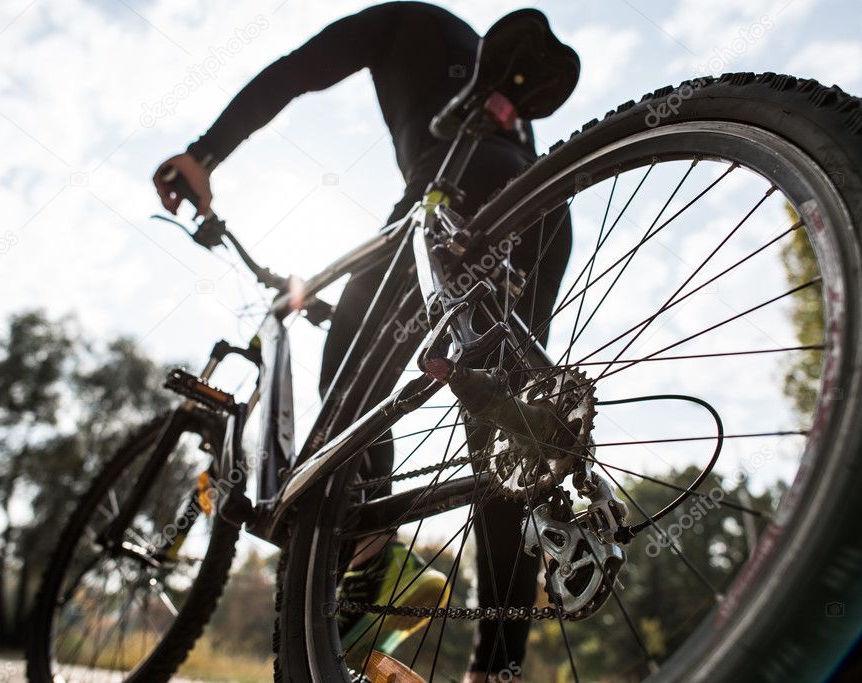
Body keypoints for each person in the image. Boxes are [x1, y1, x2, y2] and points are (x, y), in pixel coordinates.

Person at [153, 3, 574, 679]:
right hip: (543, 206)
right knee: (502, 430)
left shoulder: (402, 20)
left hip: (453, 188)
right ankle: (496, 666)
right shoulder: (467, 48)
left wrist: (204, 154)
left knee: (349, 378)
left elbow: (296, 72)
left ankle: (373, 564)